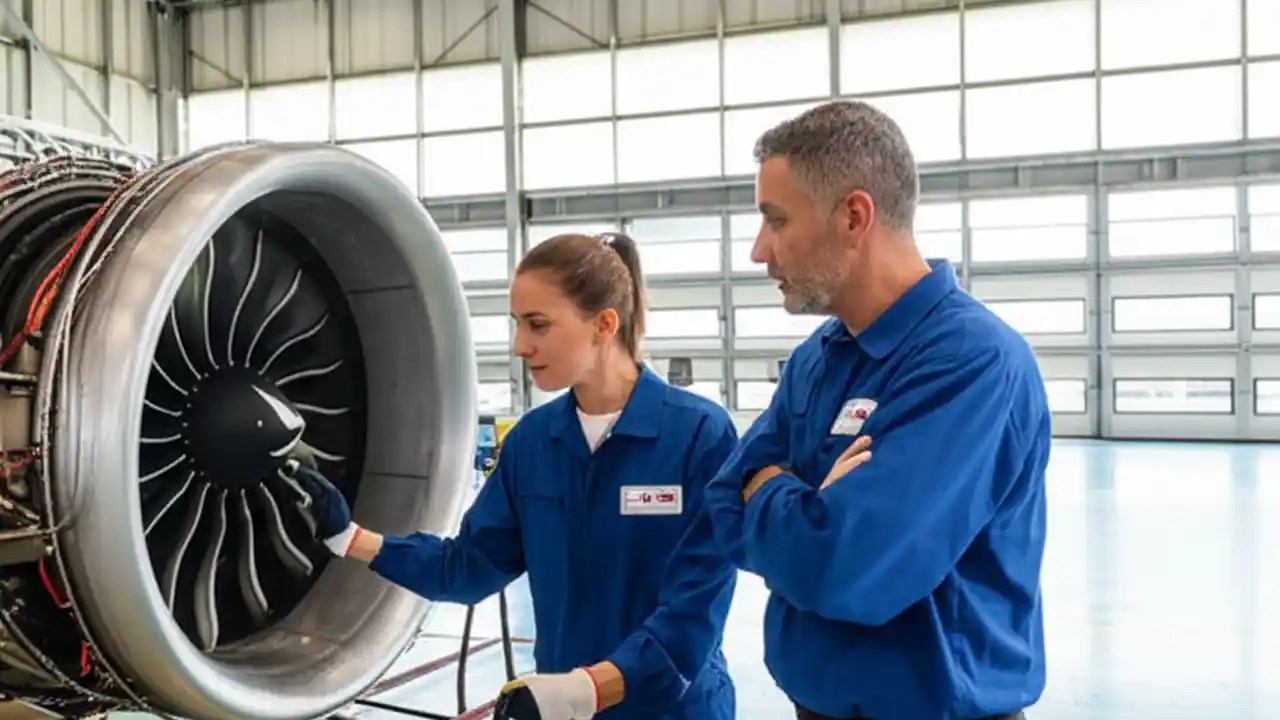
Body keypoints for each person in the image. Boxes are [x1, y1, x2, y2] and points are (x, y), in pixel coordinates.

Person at [289, 231, 740, 720]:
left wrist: (578, 693)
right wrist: (349, 537)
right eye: (517, 325)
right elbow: (466, 569)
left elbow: (691, 620)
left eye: (538, 325)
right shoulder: (532, 443)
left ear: (604, 324)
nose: (520, 346)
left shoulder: (698, 435)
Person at [701, 99, 1051, 720]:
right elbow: (724, 499)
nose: (760, 251)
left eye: (776, 221)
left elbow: (848, 570)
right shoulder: (819, 357)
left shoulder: (972, 363)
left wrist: (774, 491)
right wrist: (801, 508)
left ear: (854, 216)